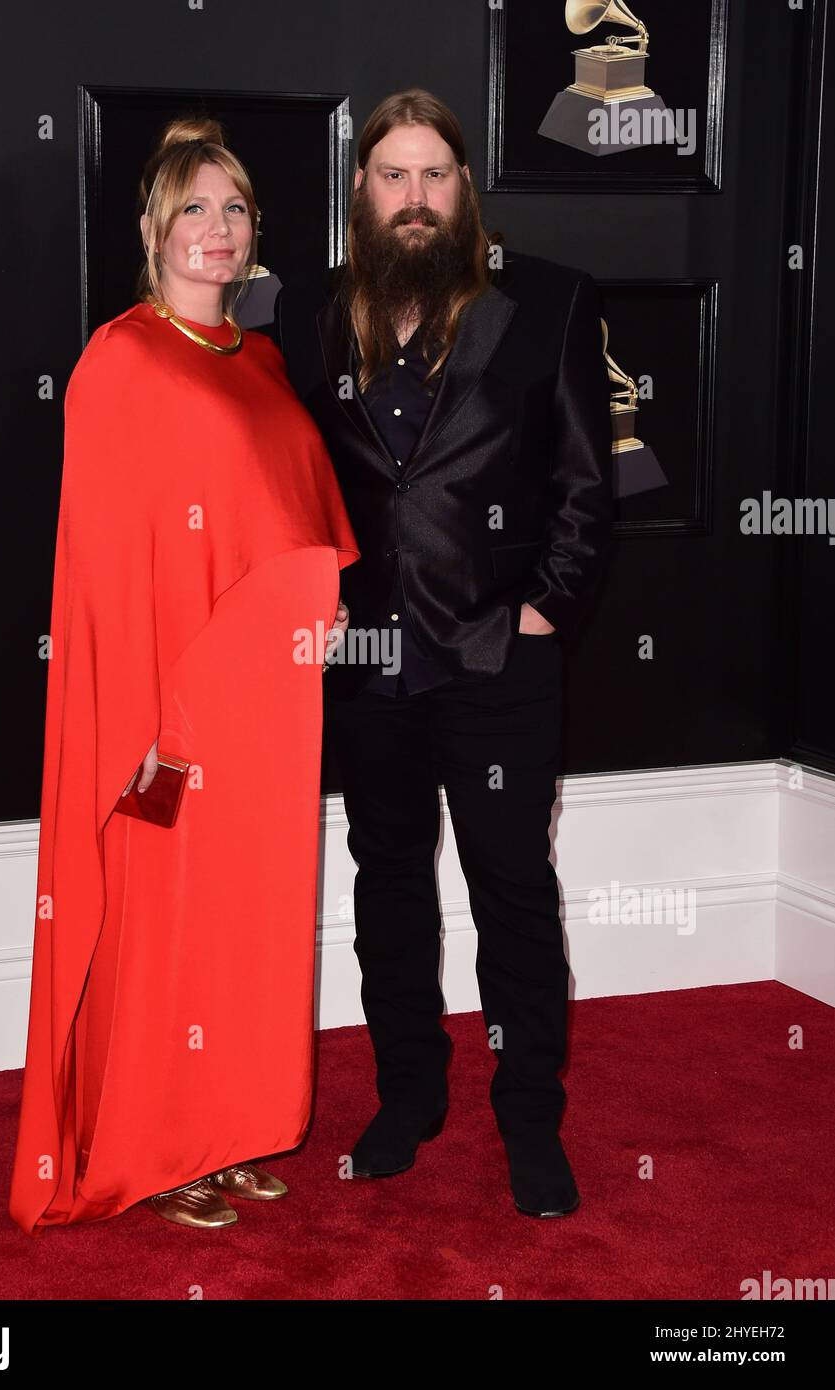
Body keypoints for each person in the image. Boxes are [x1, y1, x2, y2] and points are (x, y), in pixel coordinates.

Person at [8, 116, 359, 1235]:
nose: (217, 230)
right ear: (155, 229)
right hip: (177, 709)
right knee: (167, 924)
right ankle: (159, 1150)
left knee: (250, 919)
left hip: (269, 703)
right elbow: (104, 564)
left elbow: (293, 516)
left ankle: (235, 1129)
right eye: (195, 209)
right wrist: (148, 719)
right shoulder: (120, 358)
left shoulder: (254, 357)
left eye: (236, 209)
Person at [274, 89, 613, 1218]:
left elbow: (582, 483)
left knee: (512, 890)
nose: (413, 198)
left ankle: (528, 1117)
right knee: (387, 891)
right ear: (360, 194)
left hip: (494, 662)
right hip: (370, 662)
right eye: (391, 176)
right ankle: (407, 1096)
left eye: (433, 176)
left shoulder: (545, 304)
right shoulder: (309, 321)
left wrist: (545, 610)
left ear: (463, 191)